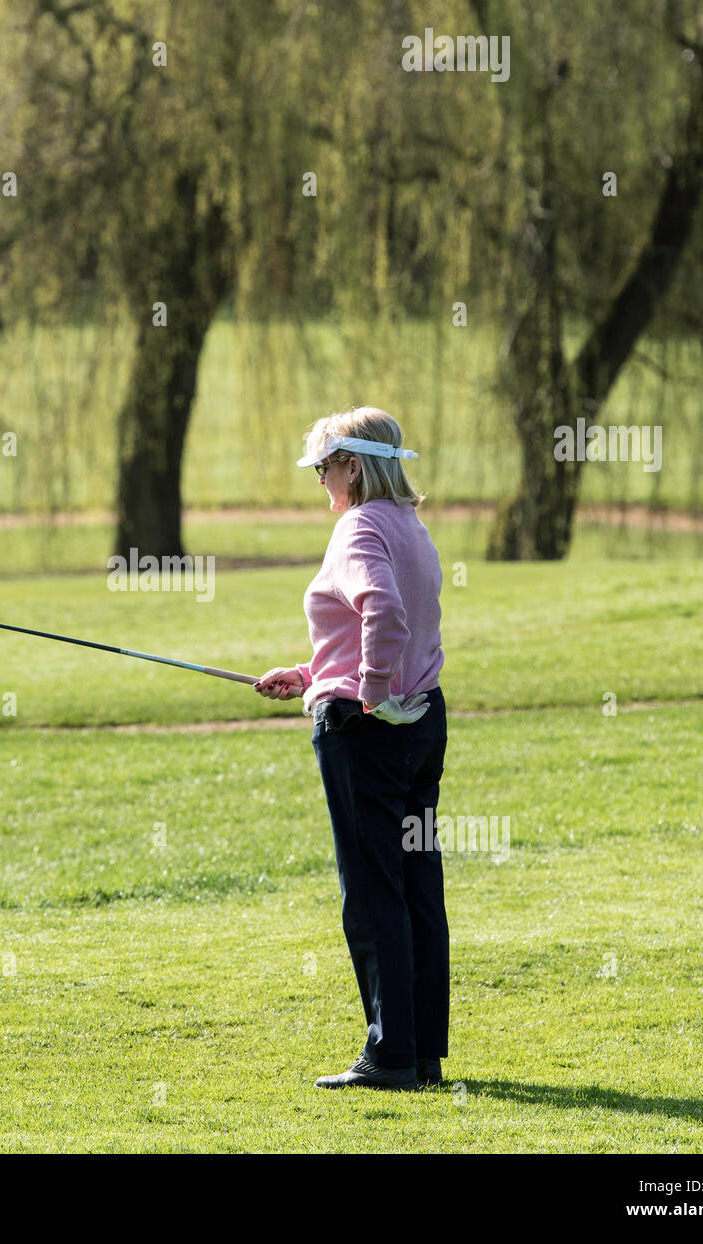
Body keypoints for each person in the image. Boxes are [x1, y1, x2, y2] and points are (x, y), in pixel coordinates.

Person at [254, 406, 448, 1091]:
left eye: (325, 467)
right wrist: (309, 675)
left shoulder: (359, 524)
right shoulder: (410, 526)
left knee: (372, 892)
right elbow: (386, 624)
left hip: (368, 730)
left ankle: (389, 1056)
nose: (321, 481)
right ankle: (422, 1053)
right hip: (421, 723)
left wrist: (364, 692)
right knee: (418, 886)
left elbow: (384, 611)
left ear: (354, 466)